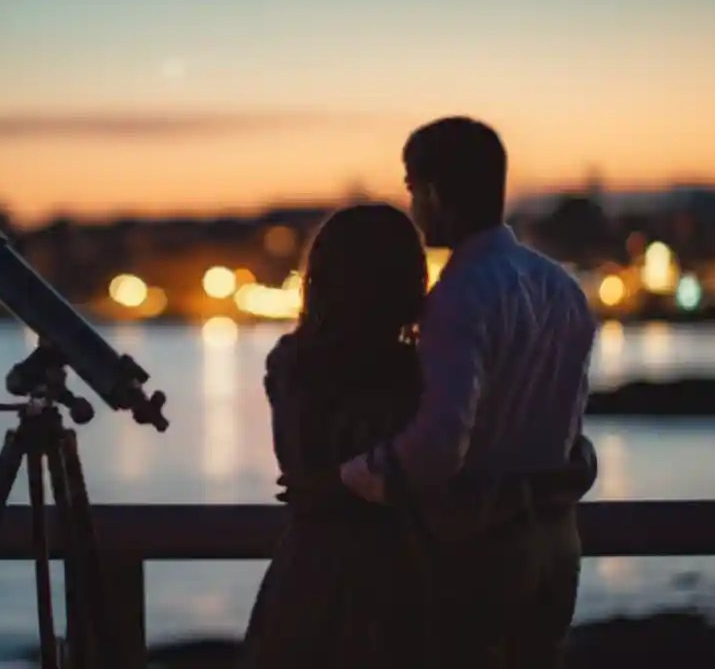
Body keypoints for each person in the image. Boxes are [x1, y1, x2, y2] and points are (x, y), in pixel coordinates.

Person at [339, 116, 599, 668]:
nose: (412, 207)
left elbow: (440, 443)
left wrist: (358, 472)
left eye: (413, 190)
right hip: (558, 541)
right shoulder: (563, 289)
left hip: (483, 545)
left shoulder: (458, 298)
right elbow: (571, 427)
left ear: (433, 193)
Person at [241, 203, 437, 668]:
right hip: (404, 572)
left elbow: (304, 467)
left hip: (307, 571)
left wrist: (326, 489)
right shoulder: (419, 375)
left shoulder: (290, 365)